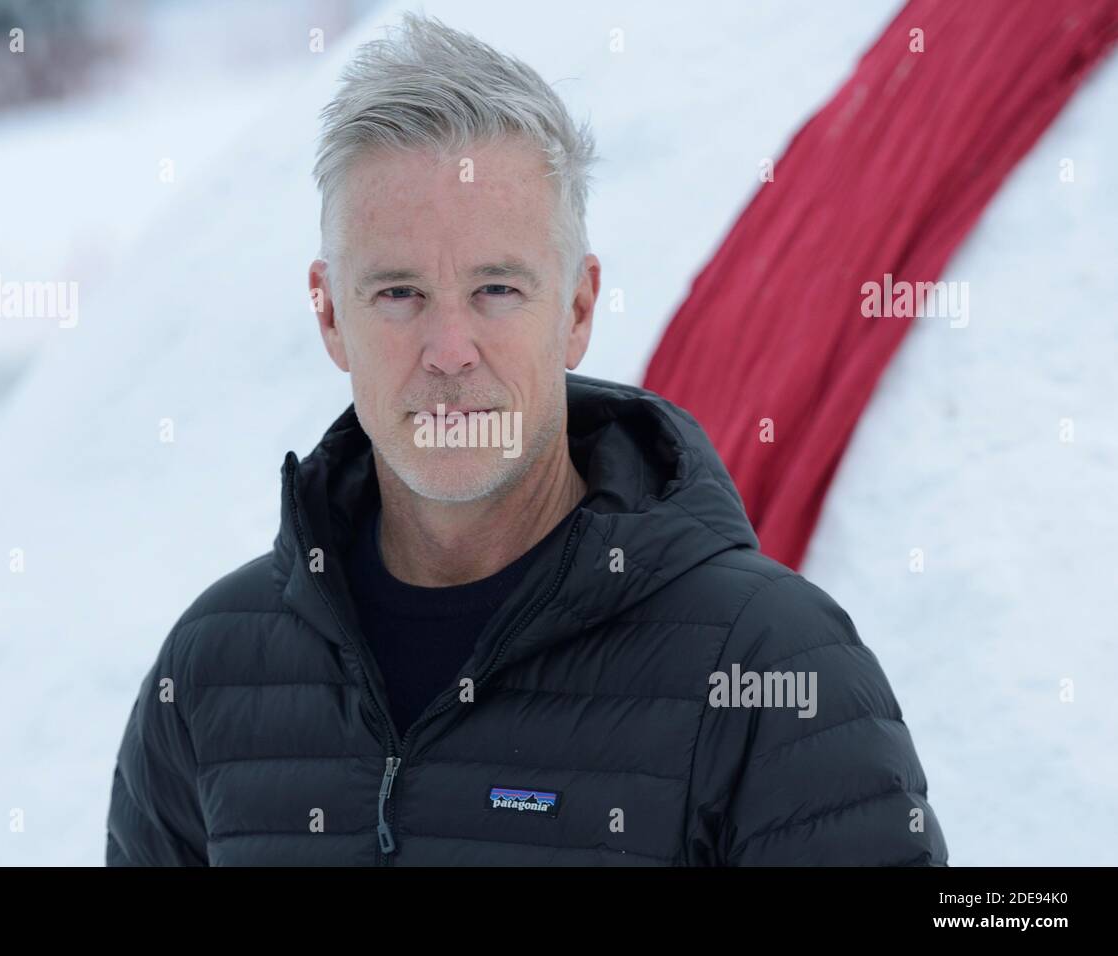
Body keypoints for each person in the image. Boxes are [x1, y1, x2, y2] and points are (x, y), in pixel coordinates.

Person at [106, 12, 947, 866]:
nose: (448, 354)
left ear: (577, 309)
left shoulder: (770, 669)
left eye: (497, 289)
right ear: (330, 315)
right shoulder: (213, 673)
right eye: (398, 294)